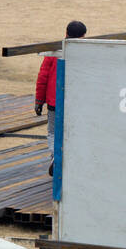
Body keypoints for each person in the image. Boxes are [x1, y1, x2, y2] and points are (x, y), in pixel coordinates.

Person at [35, 20, 87, 154]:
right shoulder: (85, 53)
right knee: (73, 130)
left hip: (54, 101)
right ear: (83, 36)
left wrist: (39, 101)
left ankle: (55, 156)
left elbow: (43, 77)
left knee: (53, 131)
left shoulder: (53, 52)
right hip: (76, 102)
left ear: (66, 33)